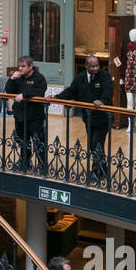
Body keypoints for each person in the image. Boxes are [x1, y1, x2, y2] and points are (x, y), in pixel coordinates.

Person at [52, 54, 113, 185]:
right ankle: (102, 169)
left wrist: (102, 100)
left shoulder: (104, 76)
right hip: (88, 118)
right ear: (86, 66)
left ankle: (97, 171)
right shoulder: (80, 78)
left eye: (97, 65)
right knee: (93, 144)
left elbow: (108, 91)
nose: (96, 68)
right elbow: (71, 91)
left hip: (102, 118)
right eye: (93, 66)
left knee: (97, 143)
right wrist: (57, 98)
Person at [4, 55, 48, 172]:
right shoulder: (18, 77)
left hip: (35, 117)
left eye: (23, 66)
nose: (20, 69)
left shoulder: (39, 78)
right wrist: (12, 79)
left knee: (38, 142)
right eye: (19, 66)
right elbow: (8, 90)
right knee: (22, 142)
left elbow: (40, 91)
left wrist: (24, 95)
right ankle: (25, 163)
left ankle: (43, 166)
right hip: (20, 116)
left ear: (30, 66)